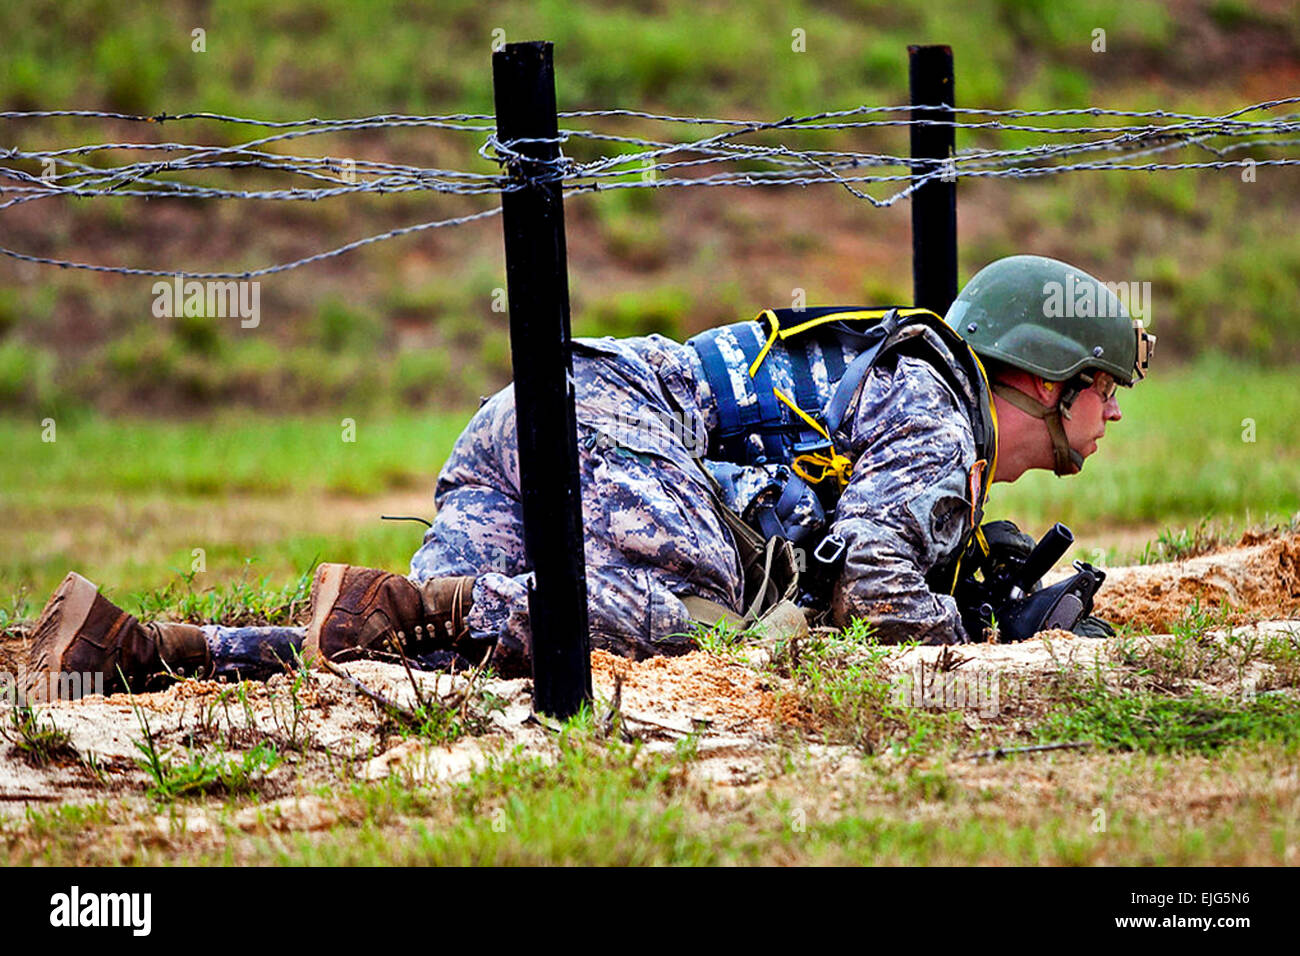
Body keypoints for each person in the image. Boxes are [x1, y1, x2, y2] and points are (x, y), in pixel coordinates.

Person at [23, 255, 1154, 702]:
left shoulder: (908, 385)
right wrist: (995, 643)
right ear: (1048, 377)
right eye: (1106, 387)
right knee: (712, 613)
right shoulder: (936, 398)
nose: (1111, 415)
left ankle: (143, 648)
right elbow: (869, 577)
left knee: (423, 653)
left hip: (530, 419)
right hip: (606, 428)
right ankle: (425, 604)